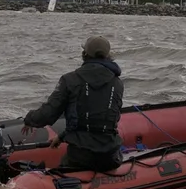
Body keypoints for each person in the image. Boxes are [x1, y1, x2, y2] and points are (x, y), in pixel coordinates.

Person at [21, 35, 125, 173]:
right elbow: (98, 121)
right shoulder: (118, 83)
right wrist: (63, 136)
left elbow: (48, 114)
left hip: (80, 157)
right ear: (108, 56)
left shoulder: (70, 80)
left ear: (85, 54)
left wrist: (29, 119)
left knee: (54, 170)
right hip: (109, 157)